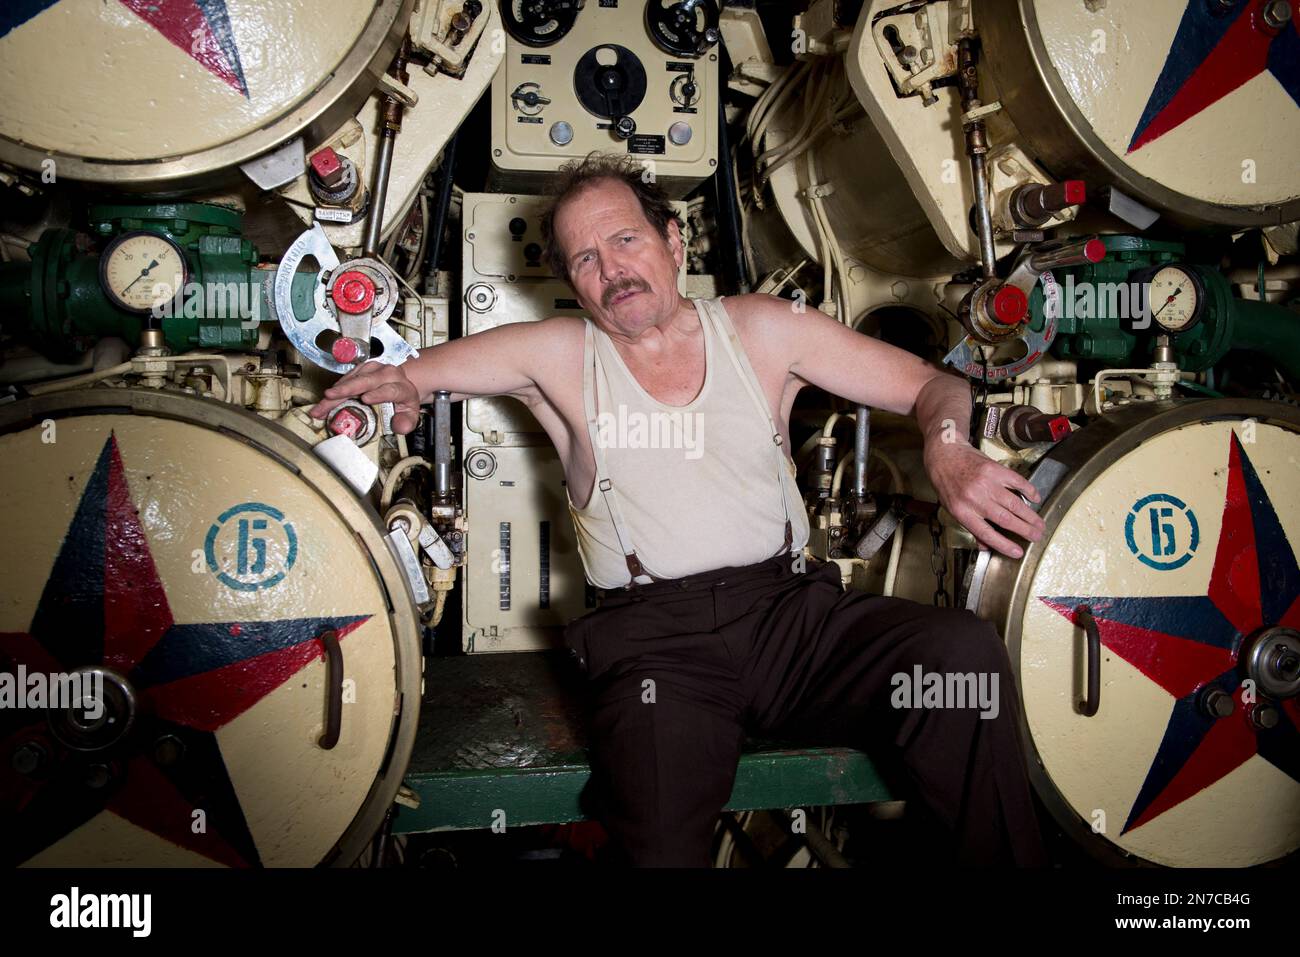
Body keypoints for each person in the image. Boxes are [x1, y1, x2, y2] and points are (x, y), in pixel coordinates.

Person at [310, 151, 1050, 867]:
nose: (610, 270)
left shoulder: (759, 328)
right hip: (658, 651)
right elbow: (411, 377)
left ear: (673, 240)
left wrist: (949, 449)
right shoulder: (559, 353)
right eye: (585, 259)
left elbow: (931, 386)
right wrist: (399, 385)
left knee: (961, 658)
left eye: (625, 239)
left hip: (794, 622)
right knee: (657, 822)